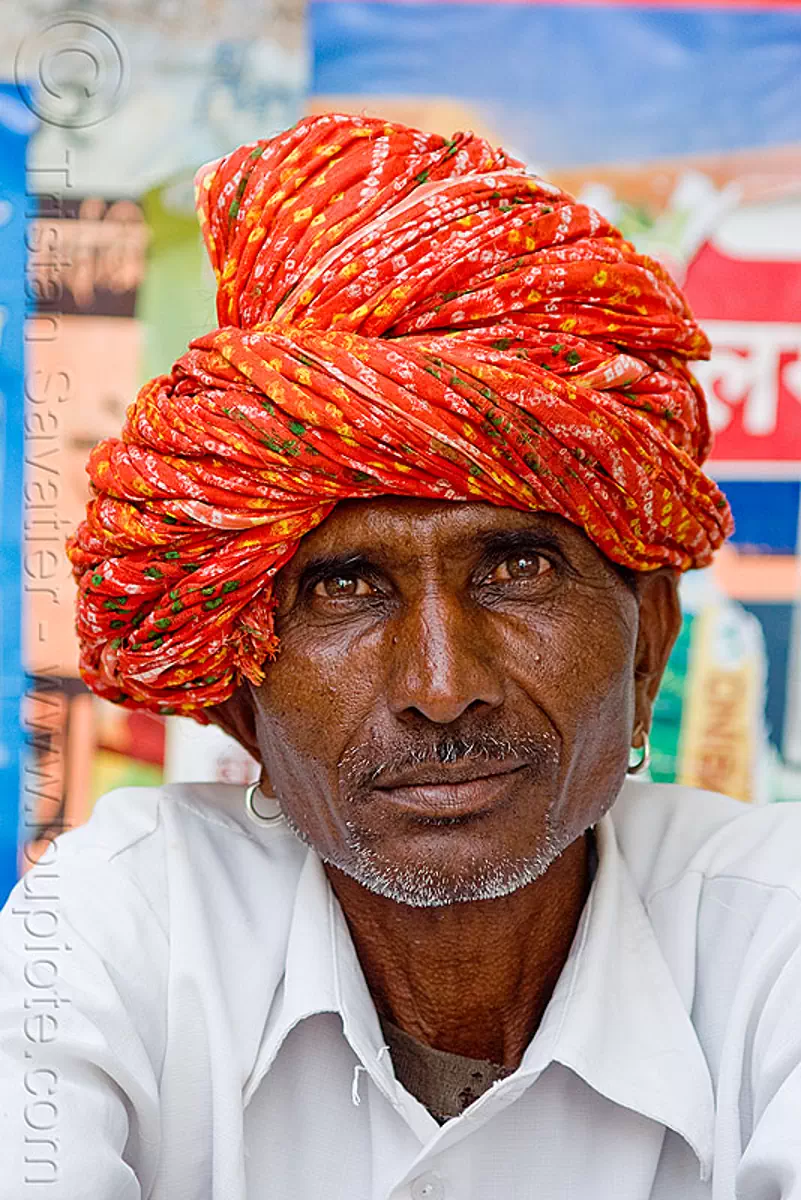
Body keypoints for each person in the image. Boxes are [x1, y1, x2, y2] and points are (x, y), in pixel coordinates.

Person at [1, 112, 800, 1200]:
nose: (442, 687)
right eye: (344, 587)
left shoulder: (772, 932)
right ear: (240, 696)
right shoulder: (124, 927)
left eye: (517, 567)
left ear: (649, 638)